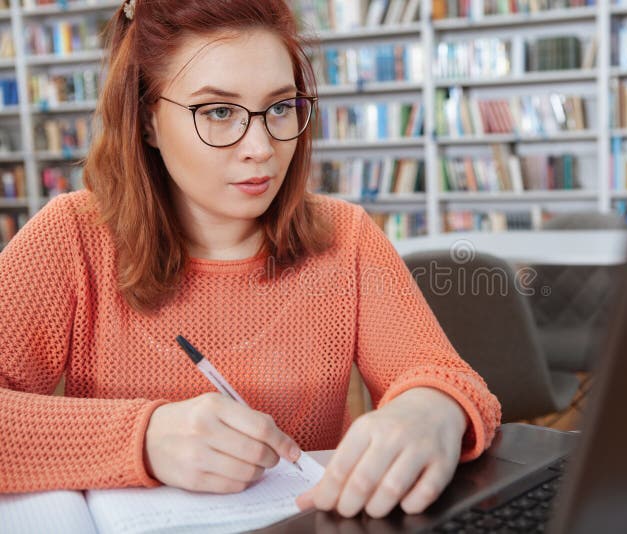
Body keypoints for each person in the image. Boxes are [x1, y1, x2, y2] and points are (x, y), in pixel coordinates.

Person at [0, 0, 501, 520]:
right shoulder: (72, 238)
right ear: (148, 120)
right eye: (218, 112)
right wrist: (143, 438)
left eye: (281, 107)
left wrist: (434, 409)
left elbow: (444, 376)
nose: (261, 147)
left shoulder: (346, 238)